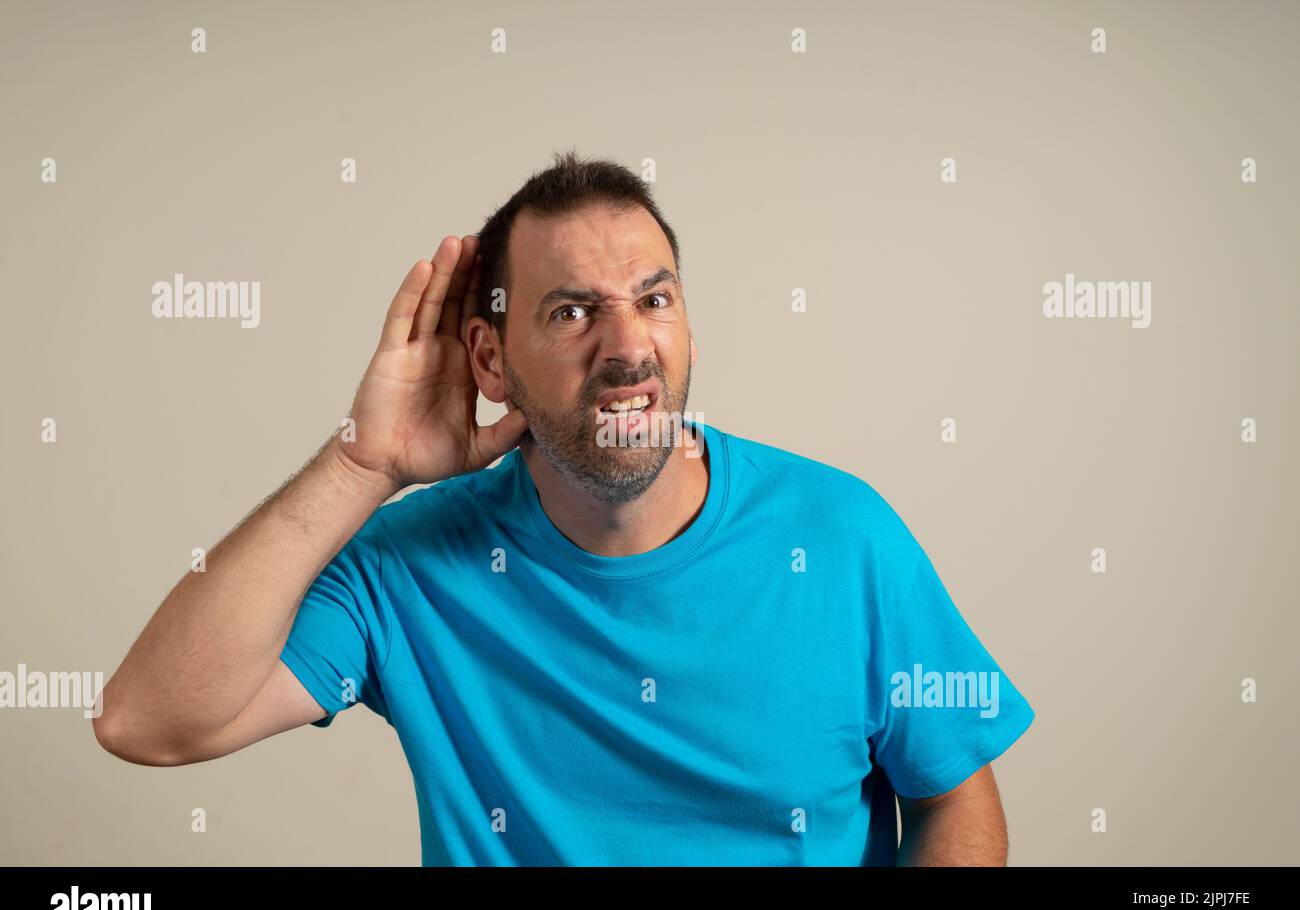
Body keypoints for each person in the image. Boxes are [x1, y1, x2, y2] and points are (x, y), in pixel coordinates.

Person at [95, 150, 1035, 866]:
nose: (629, 348)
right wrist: (358, 466)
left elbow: (955, 796)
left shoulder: (841, 535)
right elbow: (147, 722)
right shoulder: (409, 565)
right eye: (572, 312)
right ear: (491, 361)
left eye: (653, 299)